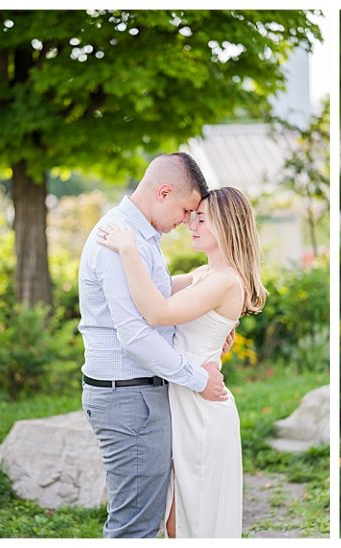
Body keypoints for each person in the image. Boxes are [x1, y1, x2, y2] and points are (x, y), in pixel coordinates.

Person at [96, 186, 267, 538]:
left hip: (202, 411)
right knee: (178, 521)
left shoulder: (224, 281)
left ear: (226, 226)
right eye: (192, 217)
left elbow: (158, 312)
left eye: (201, 219)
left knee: (196, 521)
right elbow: (152, 290)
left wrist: (128, 251)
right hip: (186, 398)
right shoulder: (204, 274)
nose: (192, 224)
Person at [78, 152, 229, 538]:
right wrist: (199, 379)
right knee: (136, 528)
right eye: (185, 210)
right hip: (129, 400)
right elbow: (136, 335)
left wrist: (213, 307)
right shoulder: (117, 241)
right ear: (164, 192)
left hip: (141, 397)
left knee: (148, 520)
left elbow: (159, 294)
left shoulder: (141, 238)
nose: (186, 222)